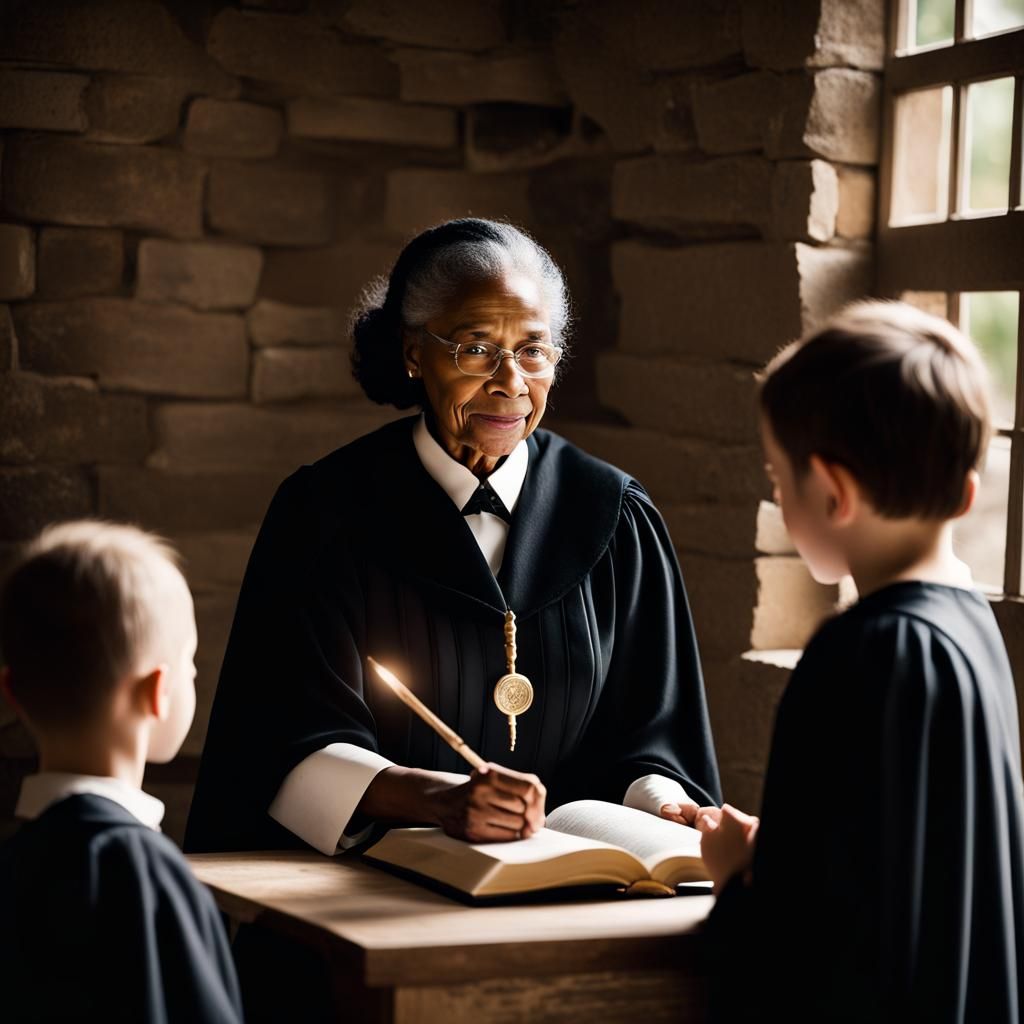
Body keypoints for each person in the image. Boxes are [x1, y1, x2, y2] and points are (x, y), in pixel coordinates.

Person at [186, 218, 721, 856]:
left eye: (533, 349)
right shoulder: (325, 514)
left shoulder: (616, 517)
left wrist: (665, 802)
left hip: (574, 887)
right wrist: (436, 799)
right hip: (376, 882)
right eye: (475, 348)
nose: (511, 382)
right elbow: (282, 737)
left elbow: (653, 734)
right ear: (414, 353)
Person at [699, 301, 1024, 1023]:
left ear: (833, 493)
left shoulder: (860, 652)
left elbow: (803, 952)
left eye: (778, 480)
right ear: (967, 494)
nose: (777, 499)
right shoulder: (974, 630)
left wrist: (736, 878)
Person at [0, 521, 244, 1024]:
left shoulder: (12, 868)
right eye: (190, 664)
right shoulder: (149, 875)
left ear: (13, 694)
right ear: (158, 693)